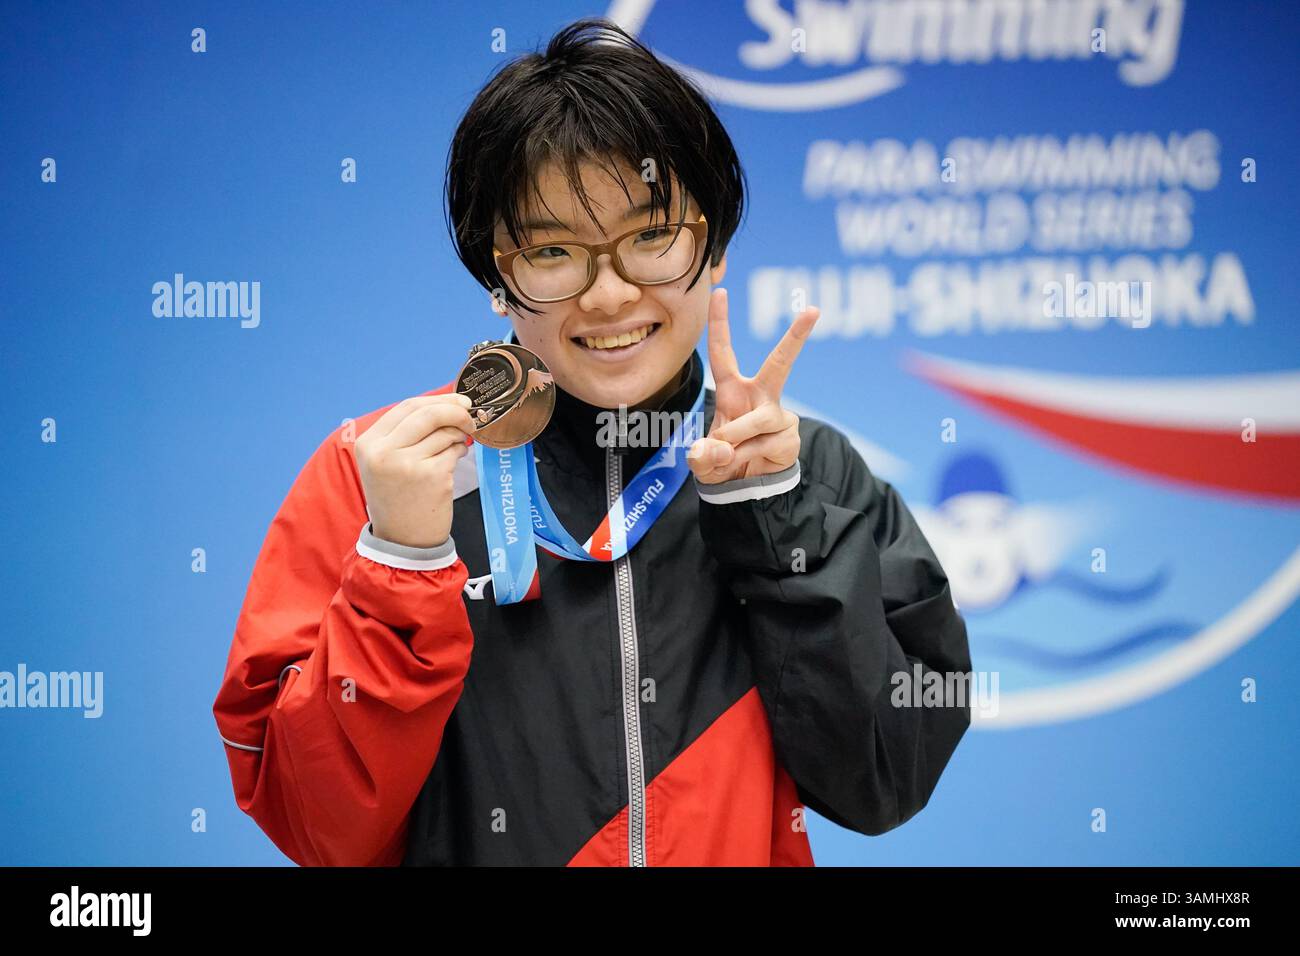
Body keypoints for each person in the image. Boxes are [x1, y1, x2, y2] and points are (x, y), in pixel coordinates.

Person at [211, 17, 972, 867]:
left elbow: (884, 782)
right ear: (497, 278)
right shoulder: (380, 478)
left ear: (713, 246)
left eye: (651, 237)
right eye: (553, 250)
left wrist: (776, 526)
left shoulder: (806, 473)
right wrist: (399, 569)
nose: (609, 293)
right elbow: (313, 826)